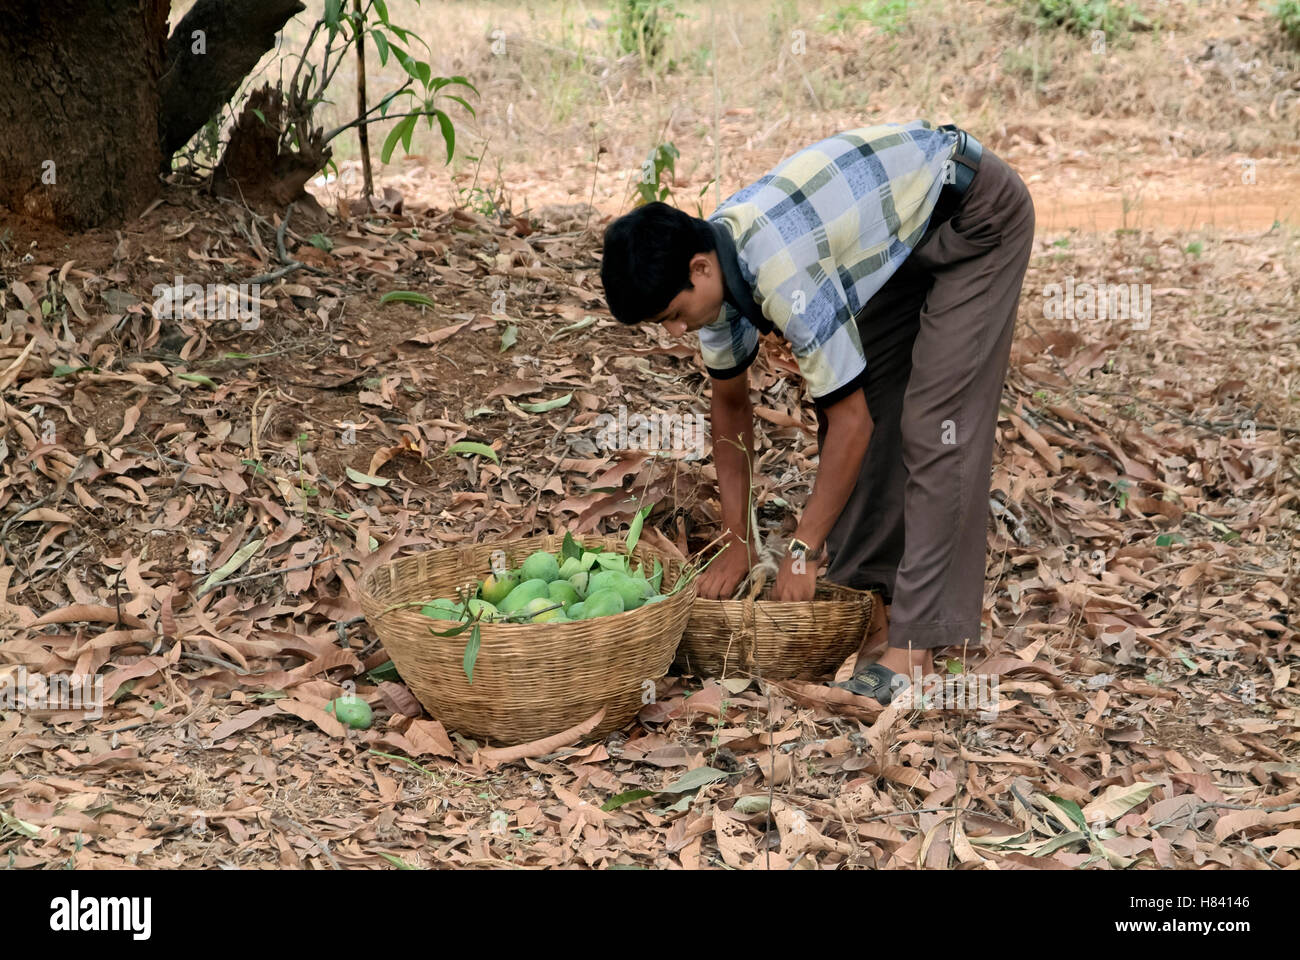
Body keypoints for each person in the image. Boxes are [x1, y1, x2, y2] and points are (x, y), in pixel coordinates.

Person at [599, 120, 1035, 705]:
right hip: (902, 240)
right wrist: (736, 541)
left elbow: (851, 427)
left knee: (936, 425)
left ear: (699, 268)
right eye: (665, 324)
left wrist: (801, 549)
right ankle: (869, 604)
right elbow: (730, 406)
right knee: (867, 396)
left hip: (974, 216)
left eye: (675, 313)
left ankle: (916, 647)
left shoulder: (780, 271)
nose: (678, 330)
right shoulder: (716, 273)